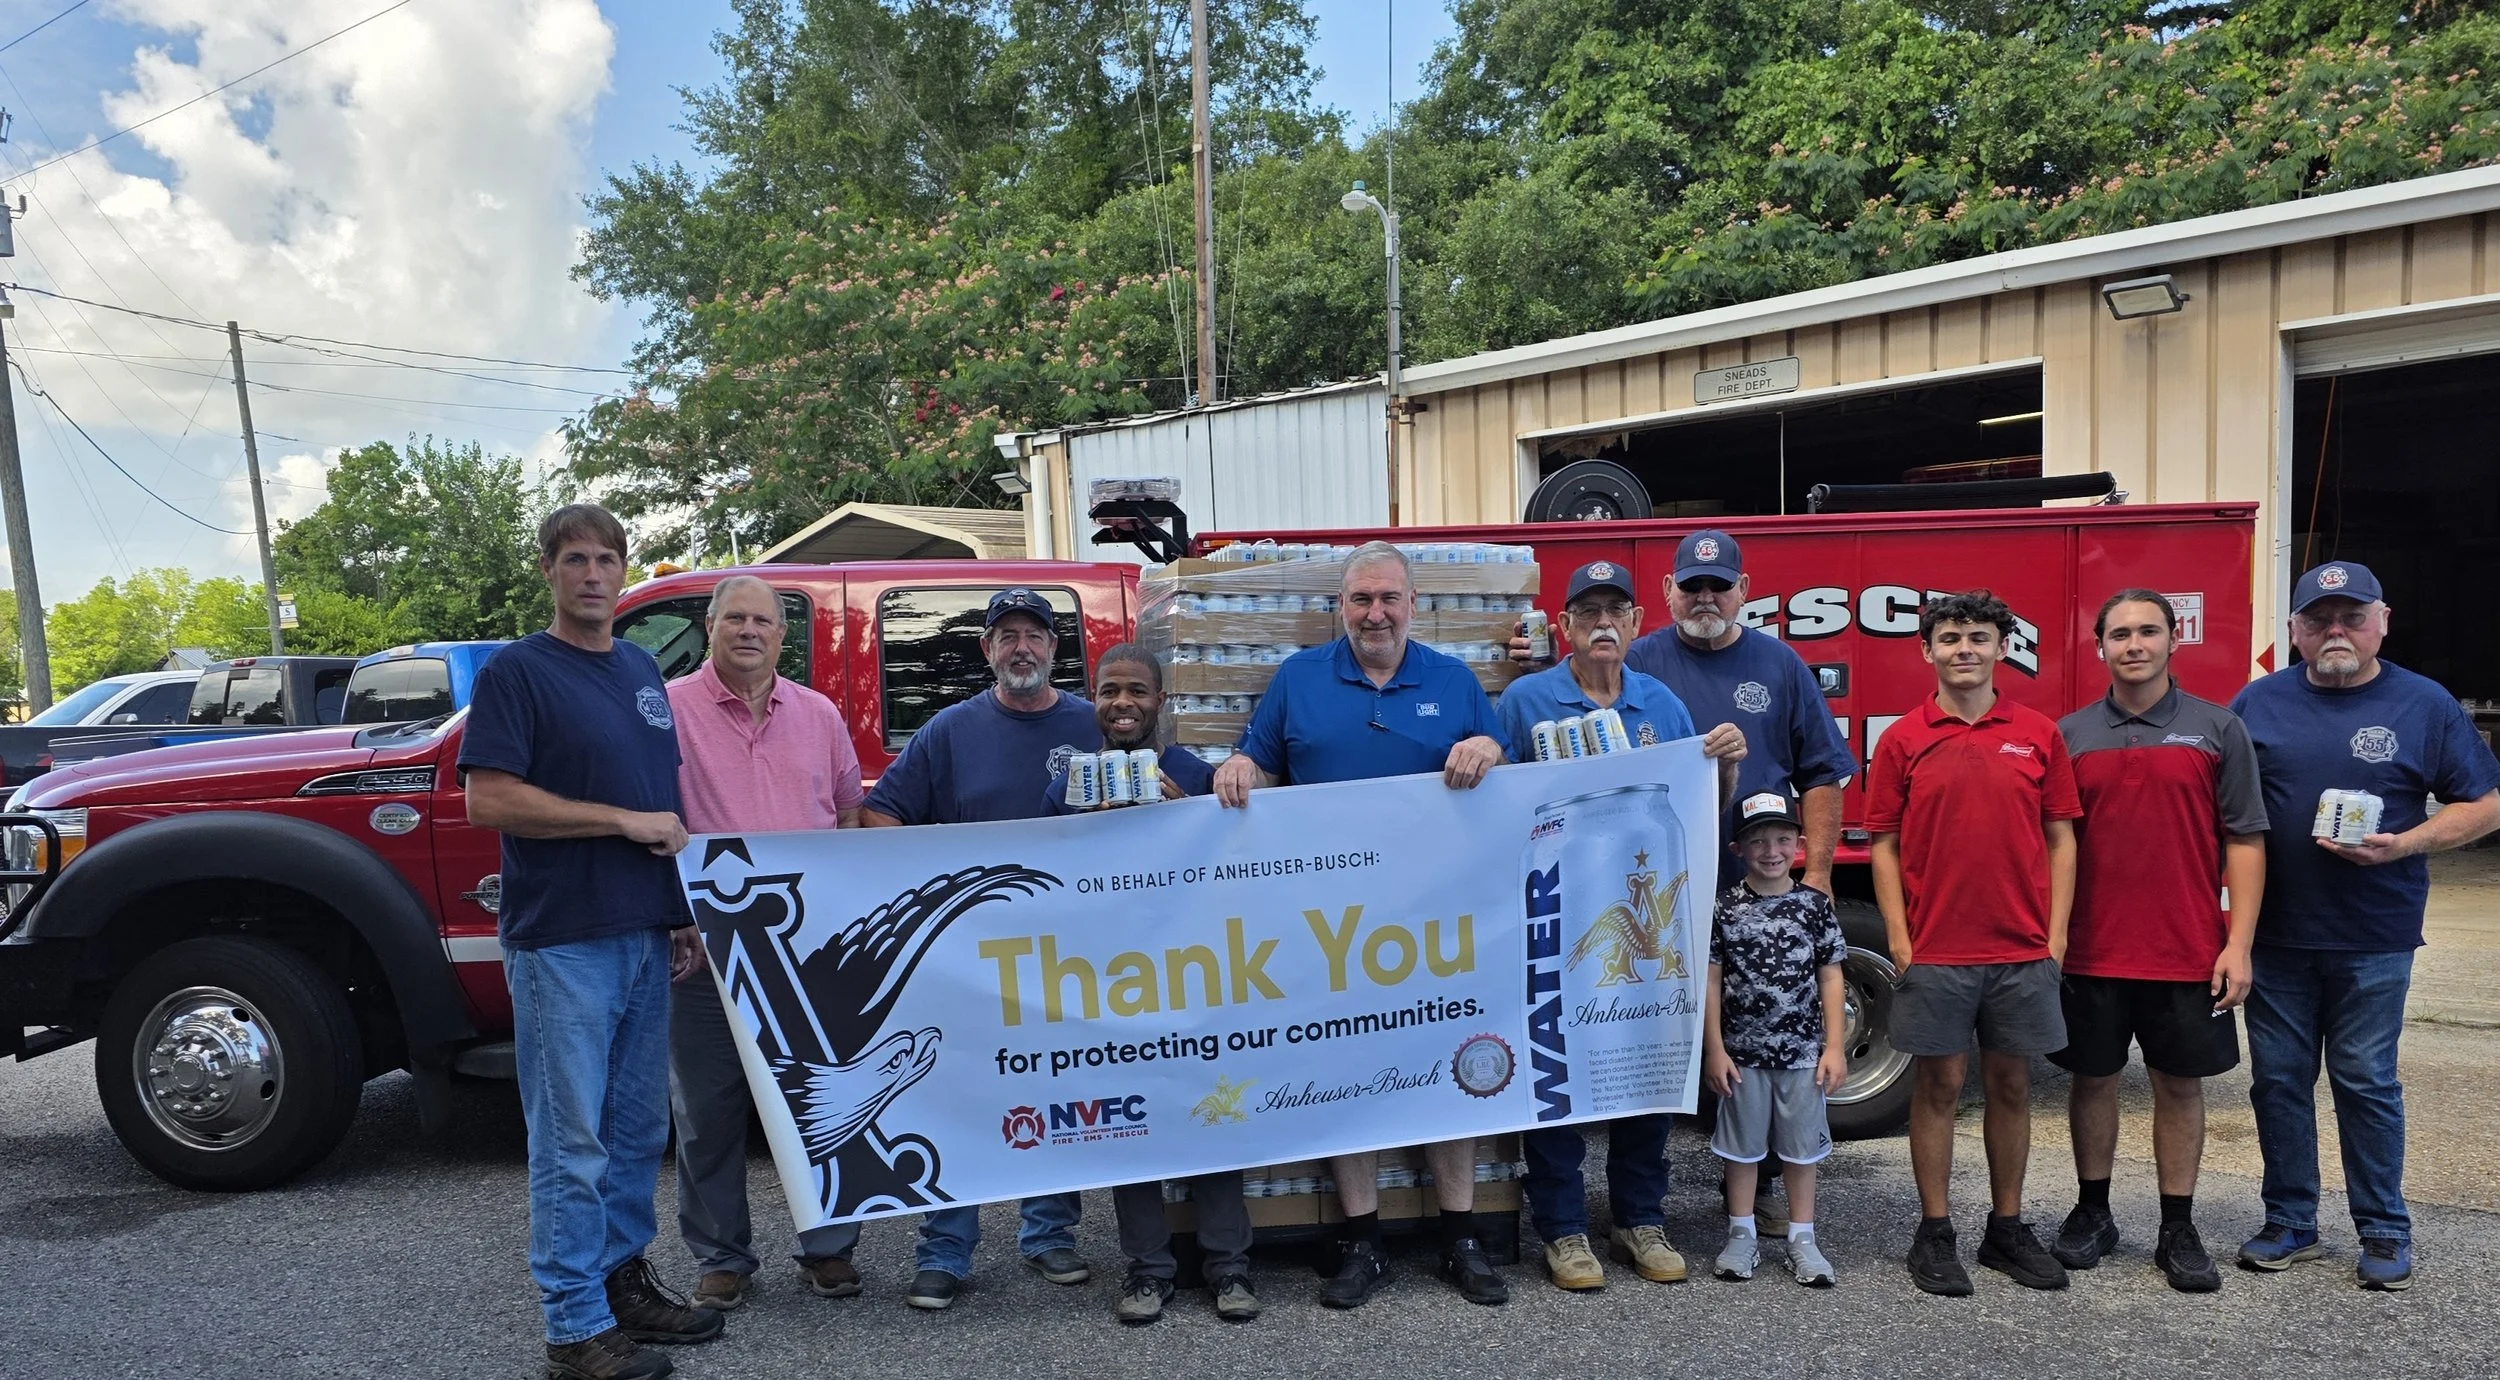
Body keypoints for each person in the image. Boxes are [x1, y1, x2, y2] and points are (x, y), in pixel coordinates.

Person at [460, 504, 724, 1380]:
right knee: (572, 1142)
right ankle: (573, 1329)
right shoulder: (516, 674)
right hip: (565, 941)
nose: (594, 575)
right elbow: (489, 800)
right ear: (549, 570)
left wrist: (678, 910)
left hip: (646, 934)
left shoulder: (643, 668)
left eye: (608, 559)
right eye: (575, 559)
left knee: (638, 1129)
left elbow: (662, 801)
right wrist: (619, 822)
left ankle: (621, 1287)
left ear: (623, 570)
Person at [1213, 540, 1511, 1309]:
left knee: (1447, 1067)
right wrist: (1243, 769)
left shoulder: (1452, 680)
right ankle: (1363, 1241)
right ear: (1338, 608)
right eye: (1359, 600)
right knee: (1345, 1073)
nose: (1374, 613)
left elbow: (1501, 781)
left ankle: (1459, 1237)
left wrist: (1489, 747)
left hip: (1434, 920)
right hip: (1329, 927)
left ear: (1413, 604)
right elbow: (1265, 766)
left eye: (1387, 598)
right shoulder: (1297, 679)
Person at [2228, 561, 2500, 1291]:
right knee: (2279, 1082)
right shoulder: (2256, 702)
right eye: (2318, 620)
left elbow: (2485, 803)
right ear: (2294, 632)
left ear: (2383, 620)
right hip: (2277, 937)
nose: (2336, 631)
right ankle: (2290, 1221)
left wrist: (2405, 845)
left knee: (2365, 1080)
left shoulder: (2425, 703)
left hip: (2375, 935)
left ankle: (2383, 1228)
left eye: (2352, 617)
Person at [1493, 559, 1745, 1293]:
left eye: (1616, 610)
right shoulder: (1525, 702)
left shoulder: (1661, 702)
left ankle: (1640, 1216)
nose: (1603, 623)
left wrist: (1725, 768)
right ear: (1564, 626)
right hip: (1557, 916)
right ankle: (1565, 1229)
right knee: (1557, 1066)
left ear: (1637, 622)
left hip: (1644, 915)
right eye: (1587, 611)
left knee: (1647, 1059)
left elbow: (1702, 807)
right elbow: (1498, 811)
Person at [859, 587, 1102, 1310]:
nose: (1021, 647)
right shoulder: (949, 731)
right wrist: (936, 893)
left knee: (1057, 1086)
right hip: (968, 956)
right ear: (986, 650)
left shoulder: (1098, 726)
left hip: (1071, 952)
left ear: (1054, 651)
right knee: (957, 1094)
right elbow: (879, 815)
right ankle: (945, 1249)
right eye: (1007, 635)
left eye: (1034, 634)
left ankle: (1049, 1234)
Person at [2049, 589, 2267, 1293]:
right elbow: (2052, 848)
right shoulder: (2069, 735)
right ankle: (2093, 1211)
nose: (2134, 644)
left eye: (2148, 631)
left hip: (2186, 950)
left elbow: (2245, 839)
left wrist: (2238, 943)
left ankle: (2178, 1225)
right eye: (2120, 633)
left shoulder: (2217, 729)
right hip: (2090, 950)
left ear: (2175, 640)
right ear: (2099, 646)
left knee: (2179, 1085)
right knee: (2093, 1081)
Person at [662, 575, 869, 1312]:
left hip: (803, 949)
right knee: (708, 1109)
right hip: (704, 945)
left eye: (765, 621)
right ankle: (723, 1258)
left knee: (818, 1098)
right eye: (735, 618)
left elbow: (849, 812)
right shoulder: (670, 712)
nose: (750, 630)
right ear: (710, 626)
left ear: (783, 636)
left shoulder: (818, 715)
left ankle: (829, 1248)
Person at [1866, 589, 2079, 1297]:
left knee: (2012, 1084)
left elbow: (2061, 838)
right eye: (1951, 637)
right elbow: (1886, 846)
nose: (1965, 649)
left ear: (2002, 648)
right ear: (1926, 650)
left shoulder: (2037, 734)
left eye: (1979, 637)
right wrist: (1899, 938)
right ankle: (1934, 1232)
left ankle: (2007, 1228)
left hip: (2020, 950)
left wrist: (2055, 938)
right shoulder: (1902, 738)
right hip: (1936, 951)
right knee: (1939, 1085)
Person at [1043, 645, 1251, 1326]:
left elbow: (1236, 865)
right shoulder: (1068, 783)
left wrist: (1185, 810)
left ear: (1162, 702)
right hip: (1109, 987)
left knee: (1213, 1116)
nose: (1122, 703)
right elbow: (1043, 876)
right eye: (1109, 691)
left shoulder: (1193, 774)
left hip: (1191, 983)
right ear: (1093, 700)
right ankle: (1148, 1271)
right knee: (1128, 1125)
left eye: (1137, 691)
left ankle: (1228, 1267)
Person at [1704, 792, 1847, 1288]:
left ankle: (1803, 1237)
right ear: (1737, 848)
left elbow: (1831, 976)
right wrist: (1714, 1049)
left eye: (1783, 839)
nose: (1771, 851)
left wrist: (1833, 1046)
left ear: (1799, 844)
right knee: (1741, 1150)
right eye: (1758, 840)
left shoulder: (1813, 906)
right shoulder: (1723, 907)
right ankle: (1741, 1232)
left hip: (1803, 1055)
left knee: (1801, 1151)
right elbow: (1711, 979)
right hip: (1741, 1056)